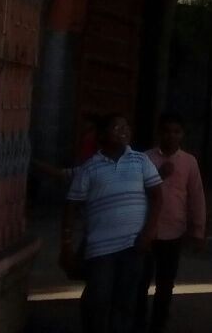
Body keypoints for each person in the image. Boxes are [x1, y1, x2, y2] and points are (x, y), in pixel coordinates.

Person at [61, 113, 162, 333]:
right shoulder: (89, 168)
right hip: (100, 249)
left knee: (125, 302)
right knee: (98, 299)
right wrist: (67, 244)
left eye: (126, 126)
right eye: (117, 127)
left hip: (133, 244)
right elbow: (71, 206)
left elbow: (156, 195)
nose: (124, 130)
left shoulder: (140, 160)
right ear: (103, 135)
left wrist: (150, 230)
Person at [136, 113, 206, 333]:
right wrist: (158, 174)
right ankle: (137, 321)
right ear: (159, 133)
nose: (171, 136)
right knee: (140, 280)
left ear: (182, 135)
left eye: (176, 131)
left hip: (174, 230)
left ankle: (158, 323)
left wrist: (198, 230)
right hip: (146, 228)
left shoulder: (189, 161)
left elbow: (196, 195)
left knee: (165, 282)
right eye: (167, 131)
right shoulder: (144, 158)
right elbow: (135, 190)